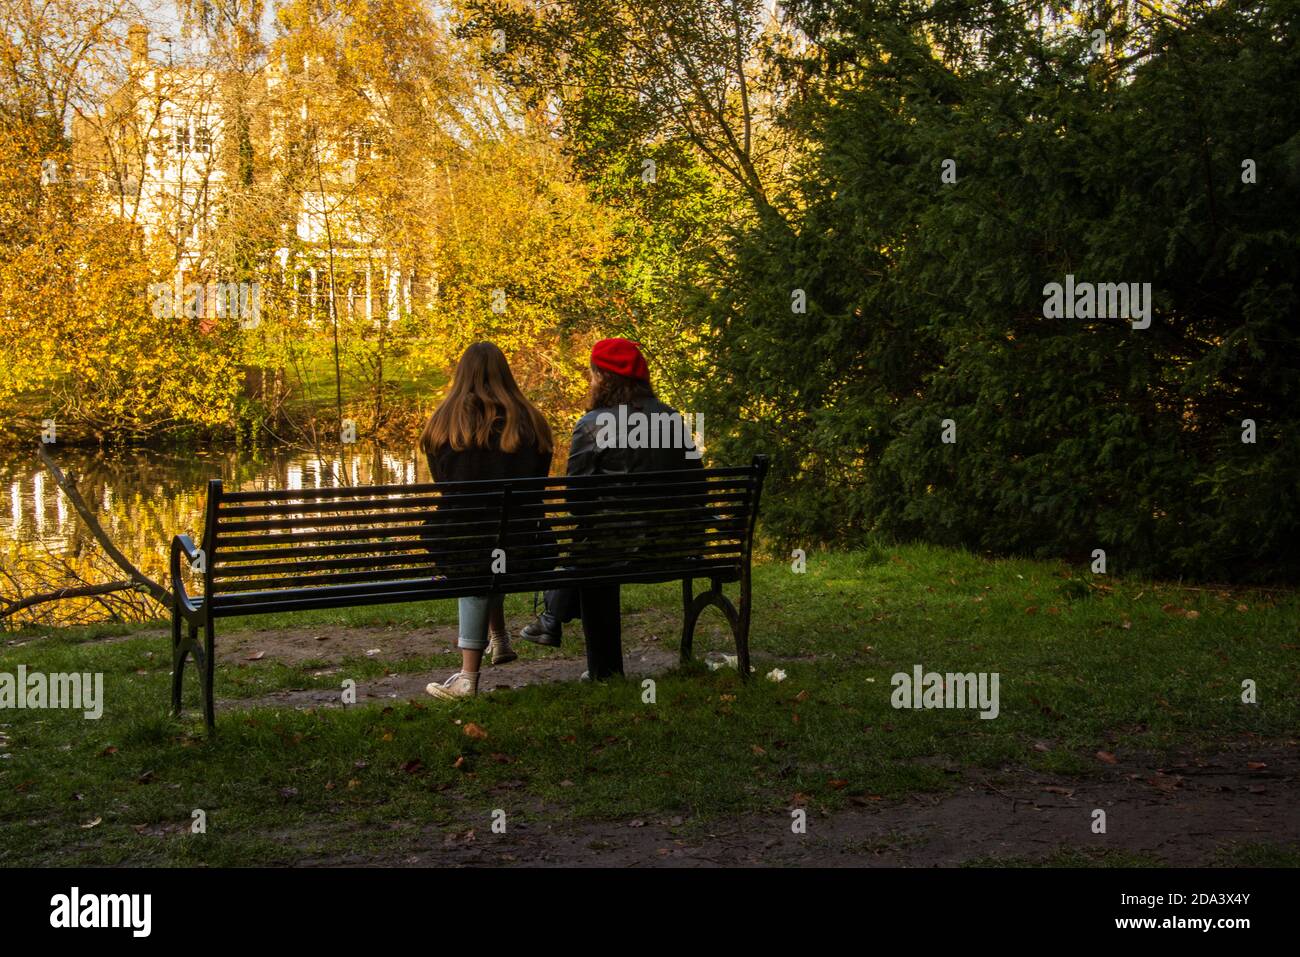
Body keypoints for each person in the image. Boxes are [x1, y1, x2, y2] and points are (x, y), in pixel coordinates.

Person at [520, 337, 702, 680]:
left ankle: (598, 664)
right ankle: (552, 619)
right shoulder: (671, 419)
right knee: (596, 541)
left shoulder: (593, 424)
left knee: (593, 547)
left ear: (602, 378)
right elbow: (697, 488)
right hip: (678, 546)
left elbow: (576, 502)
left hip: (614, 552)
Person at [420, 342, 553, 700]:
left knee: (477, 551)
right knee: (494, 542)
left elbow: (445, 486)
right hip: (528, 548)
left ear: (461, 375)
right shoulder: (532, 422)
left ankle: (467, 678)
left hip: (471, 550)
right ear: (505, 375)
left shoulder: (444, 424)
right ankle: (500, 639)